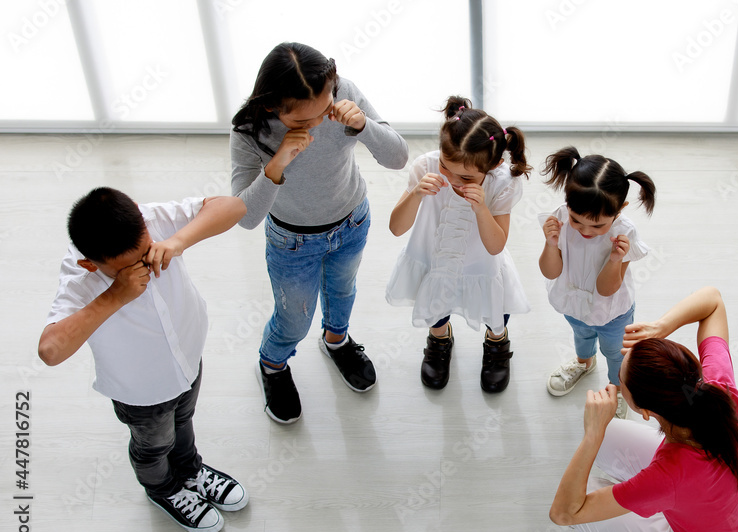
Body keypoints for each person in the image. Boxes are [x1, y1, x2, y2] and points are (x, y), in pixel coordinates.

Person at [38, 188, 249, 532]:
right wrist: (115, 294)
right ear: (91, 264)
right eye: (127, 268)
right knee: (154, 446)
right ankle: (163, 489)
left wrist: (177, 241)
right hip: (143, 393)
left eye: (147, 252)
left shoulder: (150, 218)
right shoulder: (80, 277)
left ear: (140, 216)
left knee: (184, 421)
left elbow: (234, 206)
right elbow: (50, 350)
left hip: (188, 359)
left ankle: (190, 469)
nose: (144, 267)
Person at [549, 287, 738, 532]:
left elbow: (563, 513)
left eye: (620, 381)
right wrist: (661, 327)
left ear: (646, 412)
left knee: (587, 495)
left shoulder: (671, 473)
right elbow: (713, 301)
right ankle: (679, 519)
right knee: (612, 441)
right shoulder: (718, 392)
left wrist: (592, 434)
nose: (616, 381)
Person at [231, 42, 408, 423]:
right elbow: (245, 217)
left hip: (352, 222)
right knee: (294, 317)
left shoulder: (345, 93)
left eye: (325, 111)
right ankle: (272, 364)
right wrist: (277, 164)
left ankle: (336, 340)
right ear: (271, 106)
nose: (318, 125)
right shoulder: (250, 131)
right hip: (292, 241)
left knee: (342, 291)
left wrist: (362, 126)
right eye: (302, 122)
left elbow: (398, 158)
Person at [385, 96, 531, 392]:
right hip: (432, 255)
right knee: (436, 301)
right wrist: (415, 193)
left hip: (481, 262)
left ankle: (496, 342)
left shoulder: (503, 182)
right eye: (444, 166)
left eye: (465, 177)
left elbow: (495, 246)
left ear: (494, 166)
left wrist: (481, 209)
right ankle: (439, 338)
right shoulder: (424, 166)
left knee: (495, 309)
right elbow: (396, 228)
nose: (450, 179)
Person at [538, 147, 655, 419]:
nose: (585, 231)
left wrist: (615, 259)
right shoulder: (561, 218)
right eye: (577, 221)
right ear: (567, 201)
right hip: (573, 304)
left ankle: (618, 387)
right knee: (581, 337)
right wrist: (551, 244)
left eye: (598, 225)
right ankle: (584, 364)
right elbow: (550, 271)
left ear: (619, 210)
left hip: (612, 313)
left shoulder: (623, 233)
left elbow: (607, 289)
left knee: (615, 353)